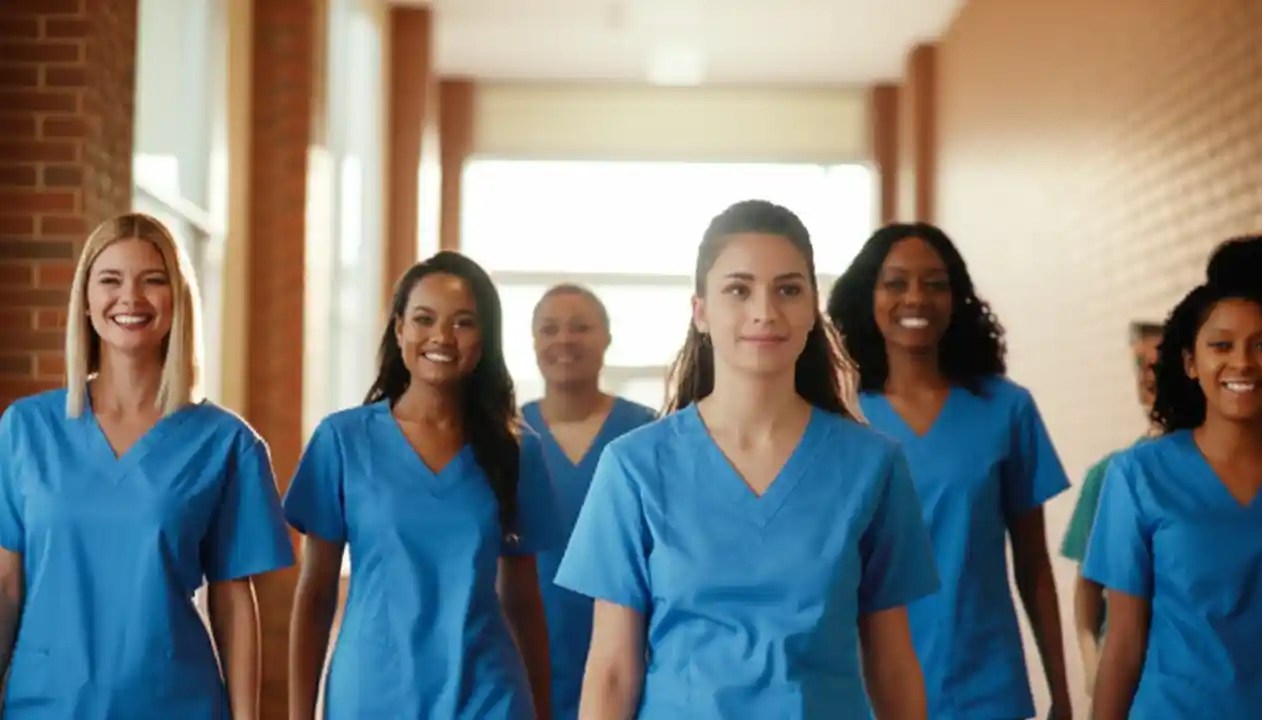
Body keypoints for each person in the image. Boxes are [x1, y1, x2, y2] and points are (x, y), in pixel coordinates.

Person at [554, 200, 940, 719]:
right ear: (701, 312)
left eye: (788, 290)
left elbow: (892, 665)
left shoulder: (873, 466)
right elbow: (612, 670)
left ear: (811, 309)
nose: (765, 311)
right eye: (738, 289)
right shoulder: (635, 467)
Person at [0, 213, 295, 718]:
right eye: (110, 280)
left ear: (177, 299)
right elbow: (6, 584)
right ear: (86, 301)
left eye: (152, 281)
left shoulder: (226, 444)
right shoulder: (25, 429)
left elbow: (233, 601)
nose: (130, 298)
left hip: (173, 702)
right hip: (45, 704)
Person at [285, 251, 558, 719]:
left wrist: (545, 710)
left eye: (464, 323)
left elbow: (523, 599)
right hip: (372, 692)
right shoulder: (344, 440)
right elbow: (316, 593)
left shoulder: (516, 451)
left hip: (486, 694)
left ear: (485, 339)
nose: (442, 337)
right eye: (424, 319)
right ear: (399, 330)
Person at [827, 222, 1073, 720]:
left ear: (957, 298)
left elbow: (1033, 564)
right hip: (866, 689)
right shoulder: (837, 417)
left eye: (935, 283)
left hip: (984, 686)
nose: (916, 297)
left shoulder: (1006, 409)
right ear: (867, 297)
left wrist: (1062, 695)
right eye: (895, 282)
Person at [1084, 268, 1262, 719]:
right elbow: (1124, 642)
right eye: (1221, 345)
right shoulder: (1138, 475)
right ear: (1191, 362)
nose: (1243, 362)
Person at [521, 284, 656, 720]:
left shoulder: (647, 435)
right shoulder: (504, 435)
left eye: (581, 327)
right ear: (534, 341)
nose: (565, 339)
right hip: (528, 656)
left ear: (607, 337)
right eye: (550, 328)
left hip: (633, 653)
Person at [1059, 321, 1162, 696]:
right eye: (1141, 366)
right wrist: (1093, 667)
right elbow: (1087, 588)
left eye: (1160, 362)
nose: (1150, 375)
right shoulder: (1110, 475)